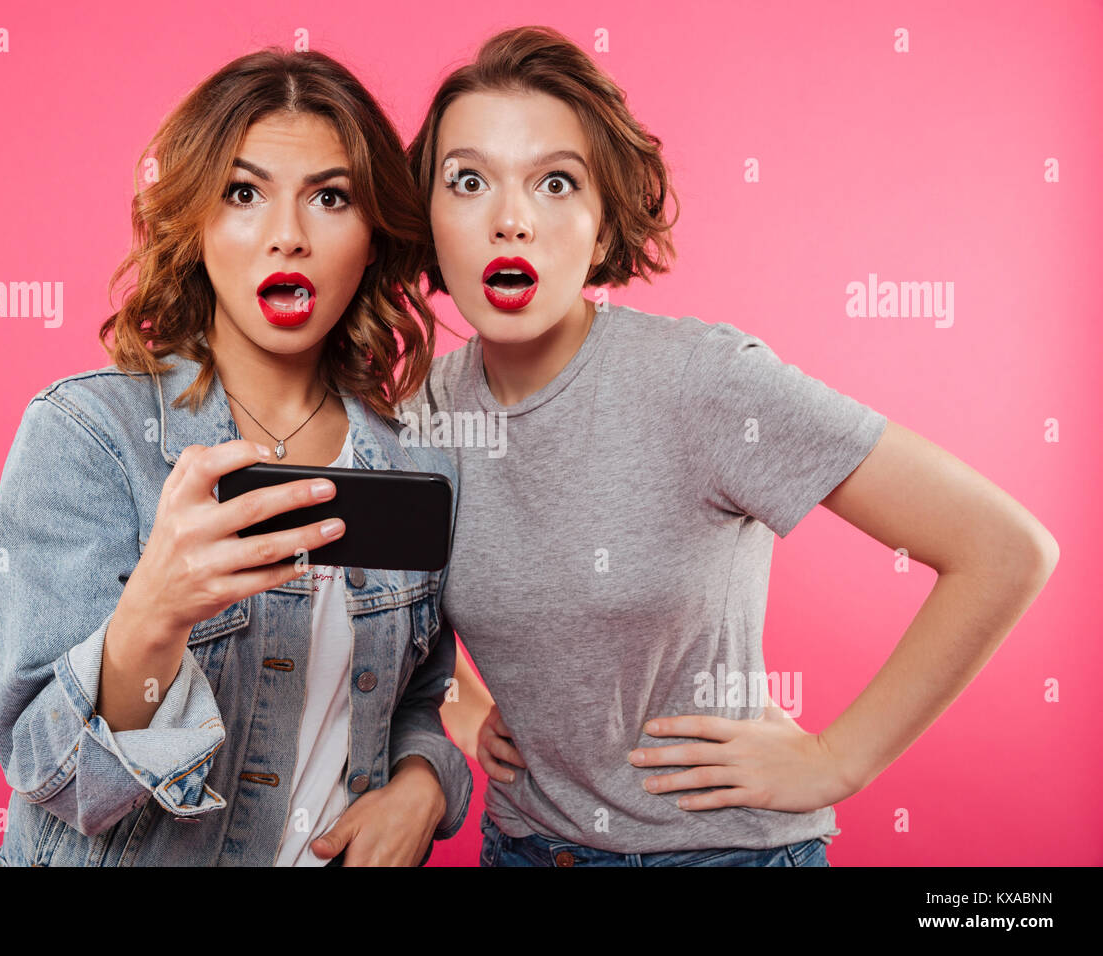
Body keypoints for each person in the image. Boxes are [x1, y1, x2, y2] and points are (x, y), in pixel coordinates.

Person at [399, 25, 1059, 867]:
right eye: (468, 181)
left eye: (555, 182)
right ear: (429, 220)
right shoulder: (422, 414)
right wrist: (461, 710)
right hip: (527, 846)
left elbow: (1003, 549)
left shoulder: (699, 381)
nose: (511, 219)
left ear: (603, 230)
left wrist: (837, 761)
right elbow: (385, 623)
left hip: (719, 854)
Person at [0, 46, 470, 867]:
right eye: (244, 194)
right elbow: (52, 777)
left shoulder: (418, 468)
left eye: (330, 197)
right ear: (196, 222)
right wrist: (154, 612)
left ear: (374, 230)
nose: (288, 237)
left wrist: (425, 782)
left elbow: (425, 695)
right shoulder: (89, 435)